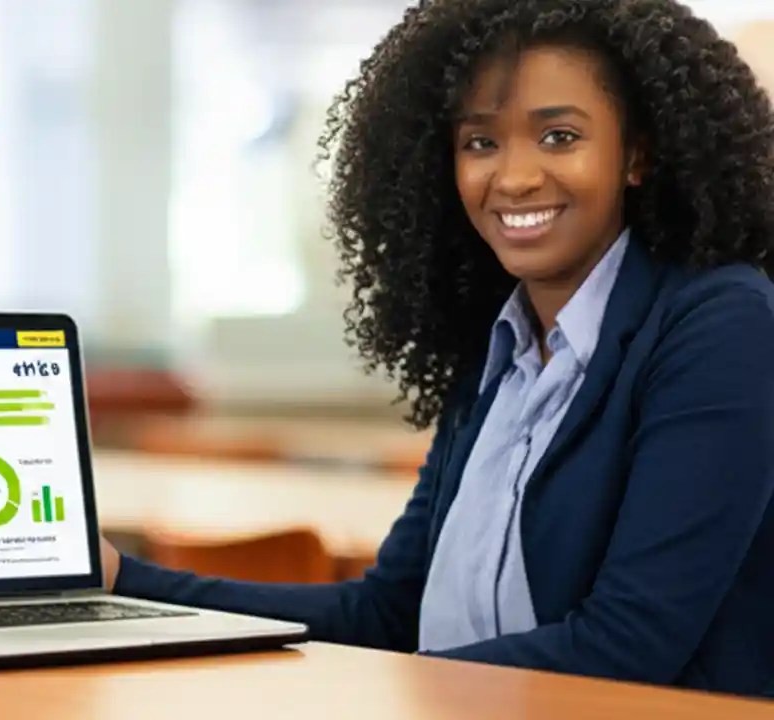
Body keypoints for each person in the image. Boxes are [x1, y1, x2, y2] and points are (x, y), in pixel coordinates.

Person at [101, 0, 774, 696]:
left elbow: (628, 647)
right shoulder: (502, 347)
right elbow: (385, 614)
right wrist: (127, 581)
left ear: (637, 154)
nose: (512, 178)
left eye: (560, 136)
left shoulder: (720, 324)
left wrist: (399, 694)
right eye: (480, 142)